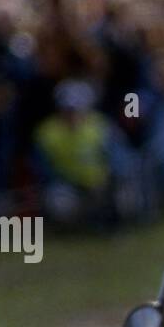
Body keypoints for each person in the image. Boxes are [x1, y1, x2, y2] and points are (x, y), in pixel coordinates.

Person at [34, 79, 113, 224]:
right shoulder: (47, 133)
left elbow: (117, 159)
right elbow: (43, 170)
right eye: (68, 109)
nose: (72, 115)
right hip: (67, 186)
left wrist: (107, 179)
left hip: (100, 186)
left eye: (76, 109)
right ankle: (72, 227)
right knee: (60, 203)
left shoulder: (101, 126)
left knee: (126, 196)